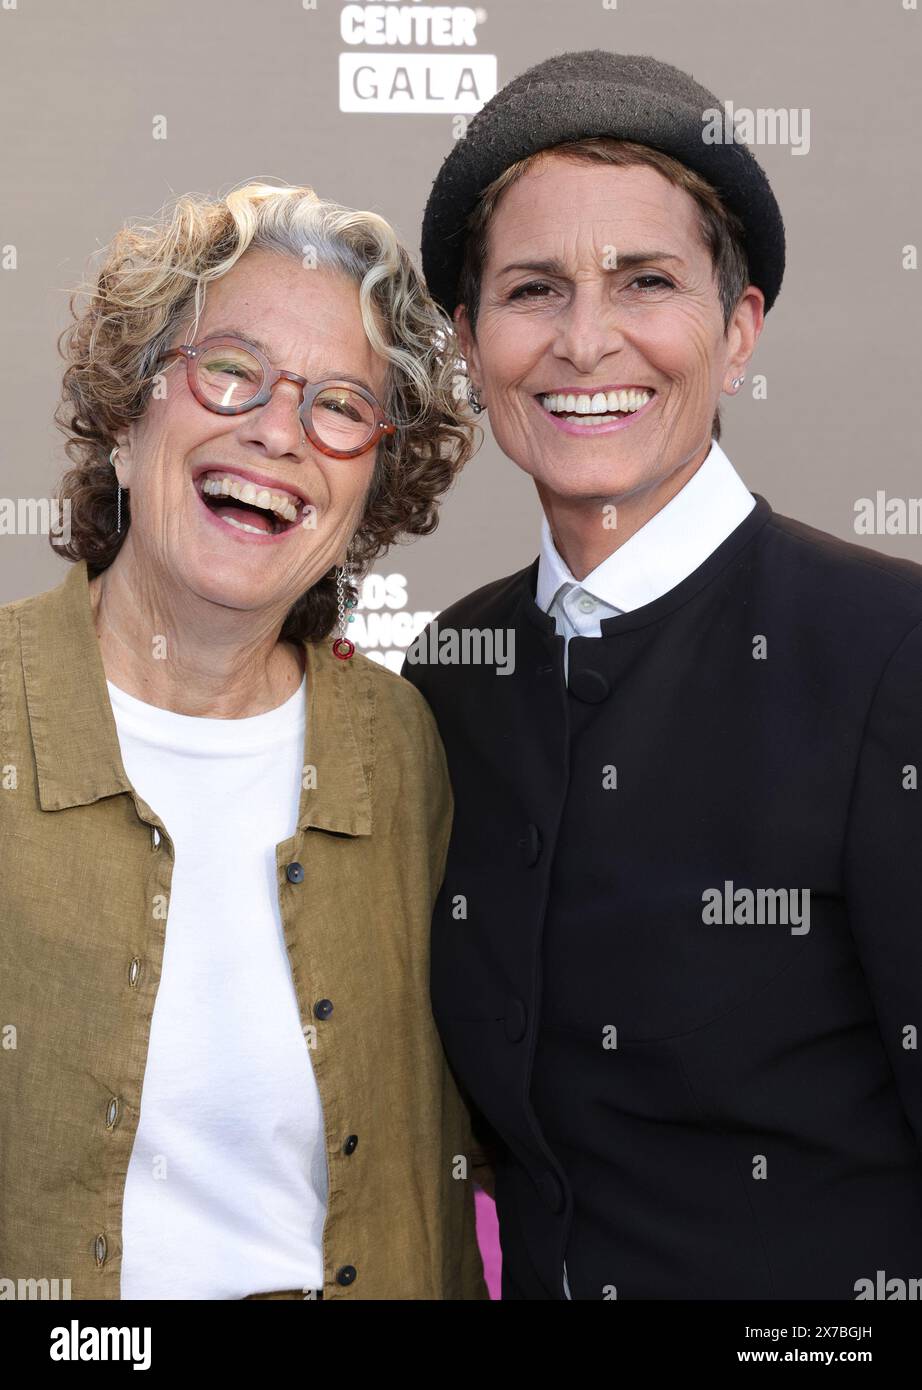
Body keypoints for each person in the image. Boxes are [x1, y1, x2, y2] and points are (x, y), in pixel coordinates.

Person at [403, 51, 922, 1300]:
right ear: (471, 345)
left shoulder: (891, 653)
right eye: (533, 291)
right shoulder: (446, 679)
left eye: (646, 282)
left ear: (737, 331)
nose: (588, 342)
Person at [0, 181, 489, 1301]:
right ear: (128, 418)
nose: (276, 431)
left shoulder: (406, 748)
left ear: (370, 490)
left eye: (339, 405)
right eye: (231, 370)